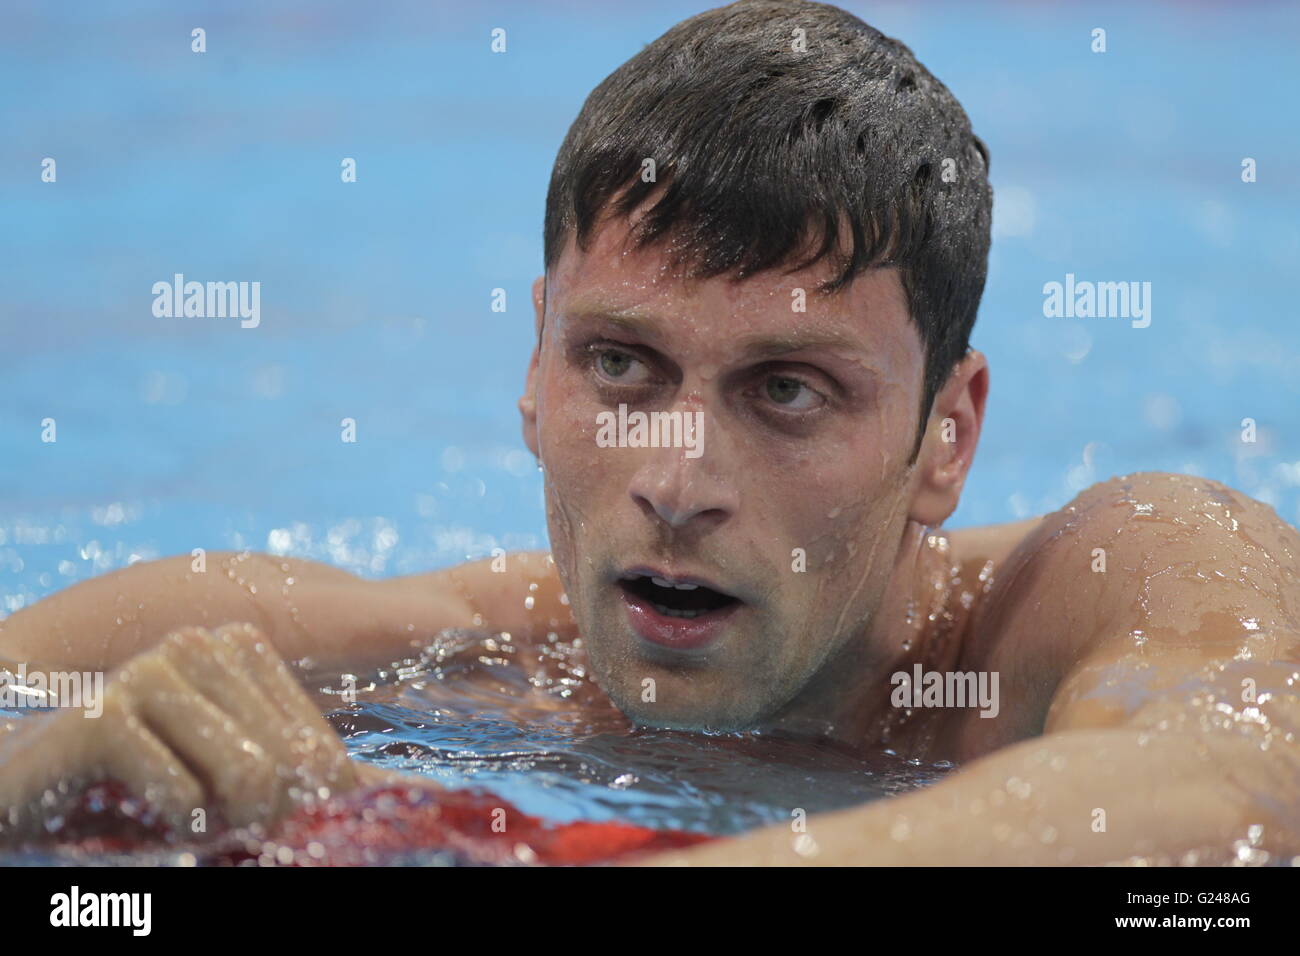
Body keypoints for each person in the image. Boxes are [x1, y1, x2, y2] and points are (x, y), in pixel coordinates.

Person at [2, 0, 1297, 865]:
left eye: (787, 389)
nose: (678, 483)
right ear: (532, 367)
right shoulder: (459, 666)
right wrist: (35, 780)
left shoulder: (1120, 576)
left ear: (946, 434)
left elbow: (1244, 796)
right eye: (621, 366)